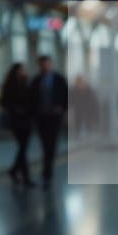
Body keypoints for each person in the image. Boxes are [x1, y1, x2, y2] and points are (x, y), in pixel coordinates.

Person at [29, 55, 68, 189]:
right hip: (41, 118)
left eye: (47, 64)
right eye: (42, 64)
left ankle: (47, 172)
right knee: (45, 145)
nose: (45, 66)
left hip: (55, 117)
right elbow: (31, 98)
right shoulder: (36, 81)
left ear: (51, 64)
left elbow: (66, 96)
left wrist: (62, 109)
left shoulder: (59, 79)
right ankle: (47, 171)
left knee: (51, 145)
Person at [1, 63, 35, 187]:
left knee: (23, 148)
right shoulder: (10, 86)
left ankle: (15, 170)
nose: (24, 72)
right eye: (22, 70)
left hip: (27, 120)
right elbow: (4, 102)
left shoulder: (27, 84)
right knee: (23, 148)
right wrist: (16, 108)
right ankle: (24, 176)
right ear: (16, 72)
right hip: (17, 121)